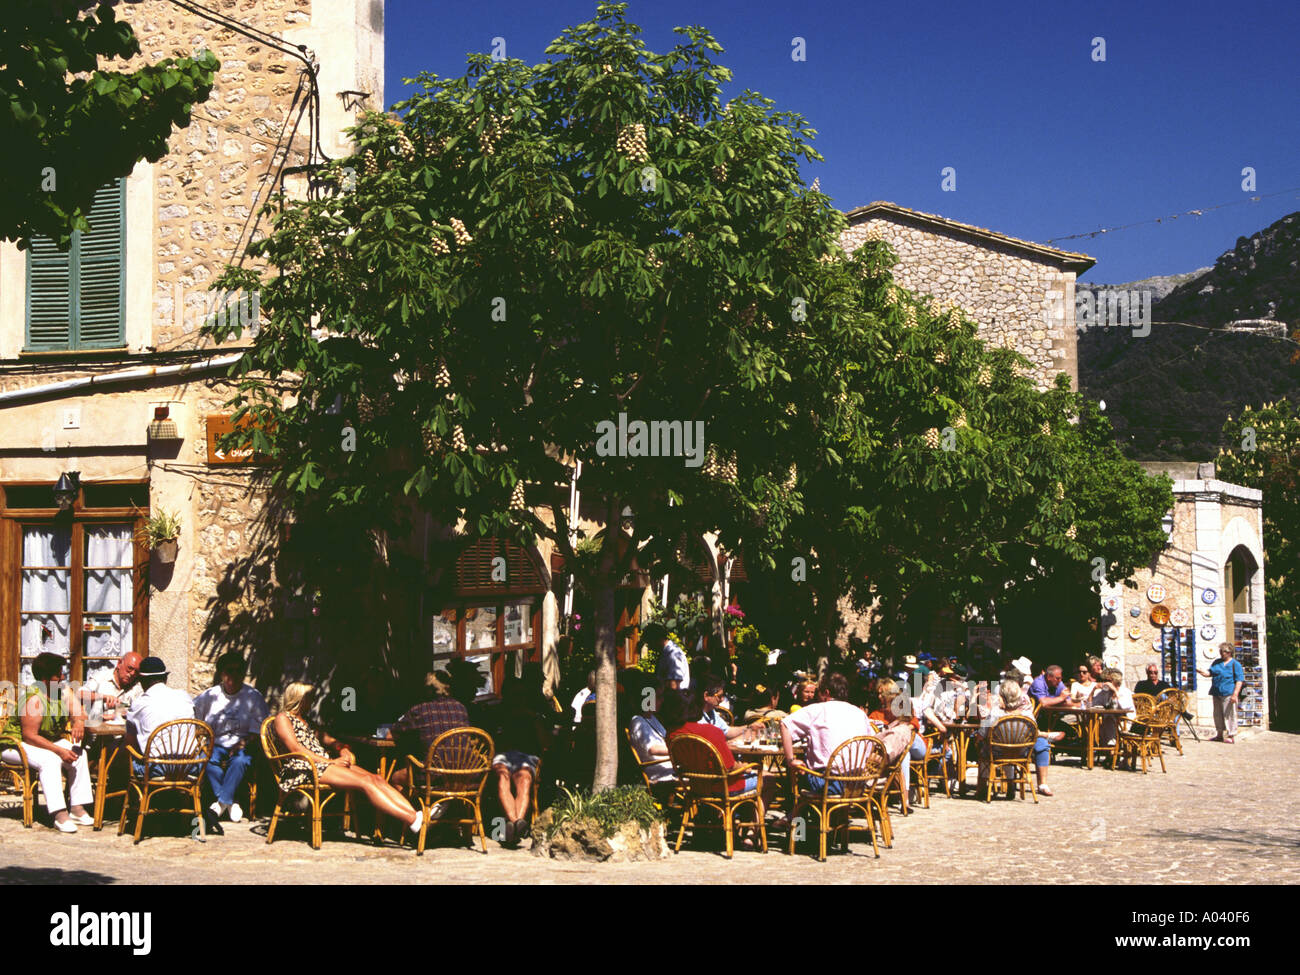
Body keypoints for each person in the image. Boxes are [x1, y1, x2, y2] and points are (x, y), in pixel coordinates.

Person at [273, 682, 422, 835]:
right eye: (310, 698)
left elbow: (329, 740)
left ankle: (417, 817)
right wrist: (330, 761)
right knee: (365, 783)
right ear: (299, 699)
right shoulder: (283, 718)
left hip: (322, 764)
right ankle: (412, 820)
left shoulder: (306, 721)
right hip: (303, 768)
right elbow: (296, 750)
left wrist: (342, 748)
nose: (312, 701)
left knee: (375, 778)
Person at [1, 652, 94, 832]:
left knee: (79, 754)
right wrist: (59, 751)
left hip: (44, 741)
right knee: (49, 761)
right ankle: (59, 814)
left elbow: (79, 711)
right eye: (58, 674)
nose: (62, 677)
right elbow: (30, 736)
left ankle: (77, 808)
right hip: (14, 744)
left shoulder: (61, 691)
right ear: (45, 678)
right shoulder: (33, 699)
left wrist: (79, 722)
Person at [193, 652, 268, 823]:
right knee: (205, 758)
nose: (233, 676)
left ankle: (220, 804)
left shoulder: (253, 697)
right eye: (229, 671)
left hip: (243, 744)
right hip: (216, 744)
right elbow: (194, 718)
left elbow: (260, 729)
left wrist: (243, 743)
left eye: (238, 671)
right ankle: (229, 801)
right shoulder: (209, 696)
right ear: (221, 673)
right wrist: (205, 740)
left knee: (241, 761)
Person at [781, 672, 874, 795]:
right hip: (857, 783)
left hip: (827, 783)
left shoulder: (816, 710)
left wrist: (791, 760)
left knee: (796, 772)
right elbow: (872, 742)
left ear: (826, 692)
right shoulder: (860, 713)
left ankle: (796, 811)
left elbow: (784, 724)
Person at [976, 679, 1063, 797]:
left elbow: (981, 736)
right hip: (1021, 753)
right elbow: (1033, 734)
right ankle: (1011, 784)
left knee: (984, 748)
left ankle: (982, 788)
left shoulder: (994, 714)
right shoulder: (1028, 716)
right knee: (1009, 747)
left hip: (996, 752)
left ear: (1001, 697)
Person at [490, 675, 549, 847]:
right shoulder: (497, 713)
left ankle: (511, 828)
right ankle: (517, 824)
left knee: (524, 779)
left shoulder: (532, 716)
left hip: (526, 755)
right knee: (502, 777)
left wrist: (536, 721)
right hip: (502, 755)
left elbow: (545, 743)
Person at [387, 670, 470, 792]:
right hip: (465, 773)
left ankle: (412, 810)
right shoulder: (461, 708)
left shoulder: (420, 710)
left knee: (395, 778)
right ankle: (442, 808)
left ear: (427, 689)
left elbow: (390, 736)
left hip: (434, 775)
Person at [124, 658, 198, 777]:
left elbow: (130, 741)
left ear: (142, 681)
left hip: (157, 768)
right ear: (165, 678)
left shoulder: (139, 703)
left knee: (128, 755)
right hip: (188, 766)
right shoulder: (184, 696)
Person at [870, 678, 926, 804]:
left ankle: (902, 793)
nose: (879, 696)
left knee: (903, 745)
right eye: (878, 693)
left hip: (915, 743)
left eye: (882, 693)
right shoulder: (877, 713)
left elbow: (914, 723)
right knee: (904, 753)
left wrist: (900, 730)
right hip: (899, 748)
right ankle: (904, 796)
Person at [627, 682, 676, 802]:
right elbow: (652, 749)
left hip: (669, 764)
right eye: (658, 697)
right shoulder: (638, 722)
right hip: (657, 769)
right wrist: (679, 751)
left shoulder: (652, 718)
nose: (662, 700)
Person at [1198, 643, 1245, 744]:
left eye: (1223, 651)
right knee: (1217, 714)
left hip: (1228, 693)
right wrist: (1200, 671)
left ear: (1229, 652)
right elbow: (1210, 673)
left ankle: (1231, 735)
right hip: (1216, 692)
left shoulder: (1235, 664)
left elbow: (1239, 680)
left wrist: (1235, 694)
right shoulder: (1217, 662)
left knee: (1230, 715)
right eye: (1221, 651)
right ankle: (1219, 734)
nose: (1221, 653)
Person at [78, 651, 143, 722]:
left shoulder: (137, 686)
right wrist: (103, 697)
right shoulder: (101, 677)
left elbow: (140, 712)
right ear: (119, 663)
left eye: (136, 672)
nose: (132, 674)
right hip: (97, 730)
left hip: (122, 731)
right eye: (129, 668)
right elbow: (79, 694)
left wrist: (117, 715)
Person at [1091, 668, 1135, 748]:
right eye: (1105, 680)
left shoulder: (1125, 692)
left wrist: (1115, 691)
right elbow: (1091, 704)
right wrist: (1093, 690)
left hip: (1125, 721)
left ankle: (1111, 750)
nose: (1106, 683)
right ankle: (1093, 747)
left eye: (1109, 681)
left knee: (1108, 721)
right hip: (1110, 720)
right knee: (1095, 723)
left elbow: (1124, 707)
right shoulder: (1105, 692)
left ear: (1116, 681)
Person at [698, 675, 750, 740]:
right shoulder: (695, 717)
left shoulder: (711, 712)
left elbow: (727, 731)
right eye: (719, 696)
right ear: (706, 696)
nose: (722, 699)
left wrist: (750, 727)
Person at [647, 624, 690, 690]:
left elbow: (674, 685)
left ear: (656, 639)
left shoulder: (673, 654)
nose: (650, 647)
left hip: (675, 697)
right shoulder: (665, 652)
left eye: (649, 643)